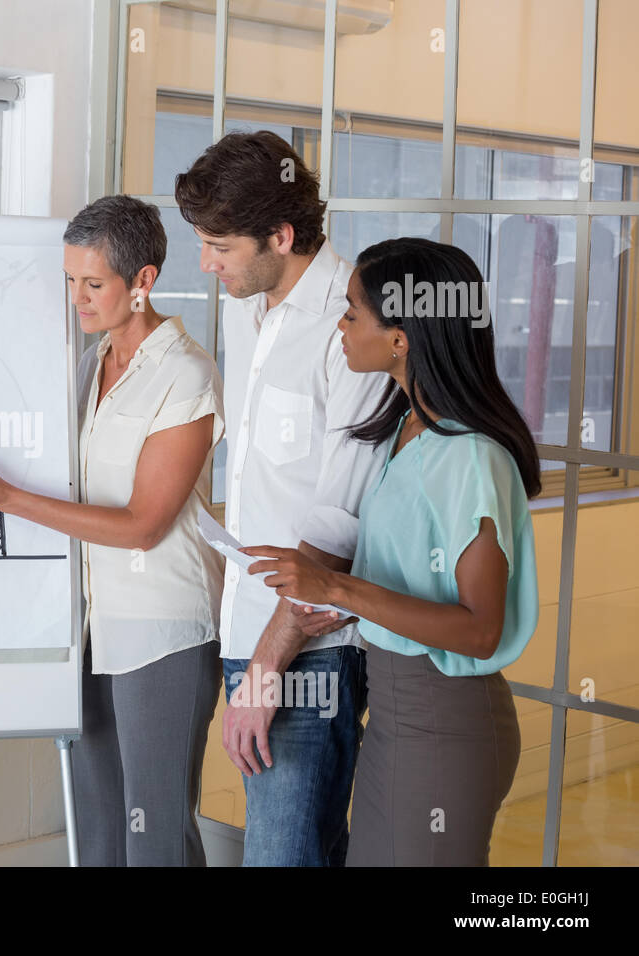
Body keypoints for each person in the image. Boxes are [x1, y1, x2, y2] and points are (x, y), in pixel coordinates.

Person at [0, 195, 225, 866]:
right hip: (91, 626)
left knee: (155, 837)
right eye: (71, 280)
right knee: (97, 829)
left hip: (162, 630)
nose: (77, 297)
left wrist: (7, 498)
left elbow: (143, 525)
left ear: (143, 281)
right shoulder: (89, 364)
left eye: (93, 284)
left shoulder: (186, 374)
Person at [243, 237, 538, 866]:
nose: (340, 327)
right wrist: (346, 606)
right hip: (394, 719)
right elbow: (413, 578)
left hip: (444, 724)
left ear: (400, 338)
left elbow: (480, 631)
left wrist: (338, 587)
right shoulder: (404, 429)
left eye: (352, 314)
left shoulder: (471, 457)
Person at [174, 131, 387, 866]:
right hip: (249, 631)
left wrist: (266, 669)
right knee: (307, 850)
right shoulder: (249, 303)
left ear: (282, 236)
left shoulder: (352, 324)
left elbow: (338, 523)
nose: (207, 264)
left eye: (220, 247)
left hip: (312, 650)